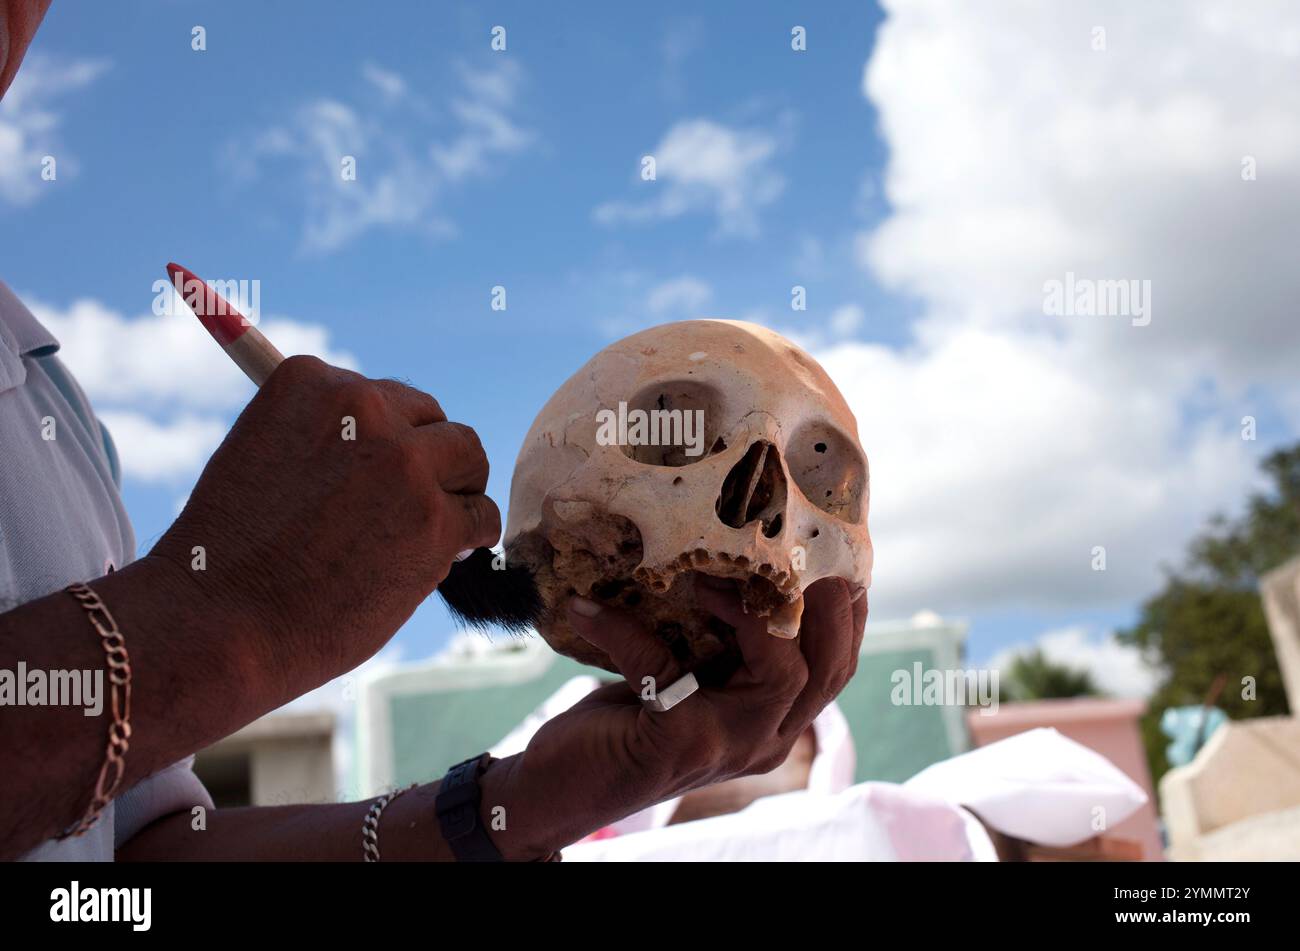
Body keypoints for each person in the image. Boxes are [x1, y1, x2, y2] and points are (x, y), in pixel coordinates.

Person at [0, 0, 867, 862]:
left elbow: (131, 863)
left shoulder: (51, 409)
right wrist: (225, 613)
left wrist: (510, 808)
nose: (756, 506)